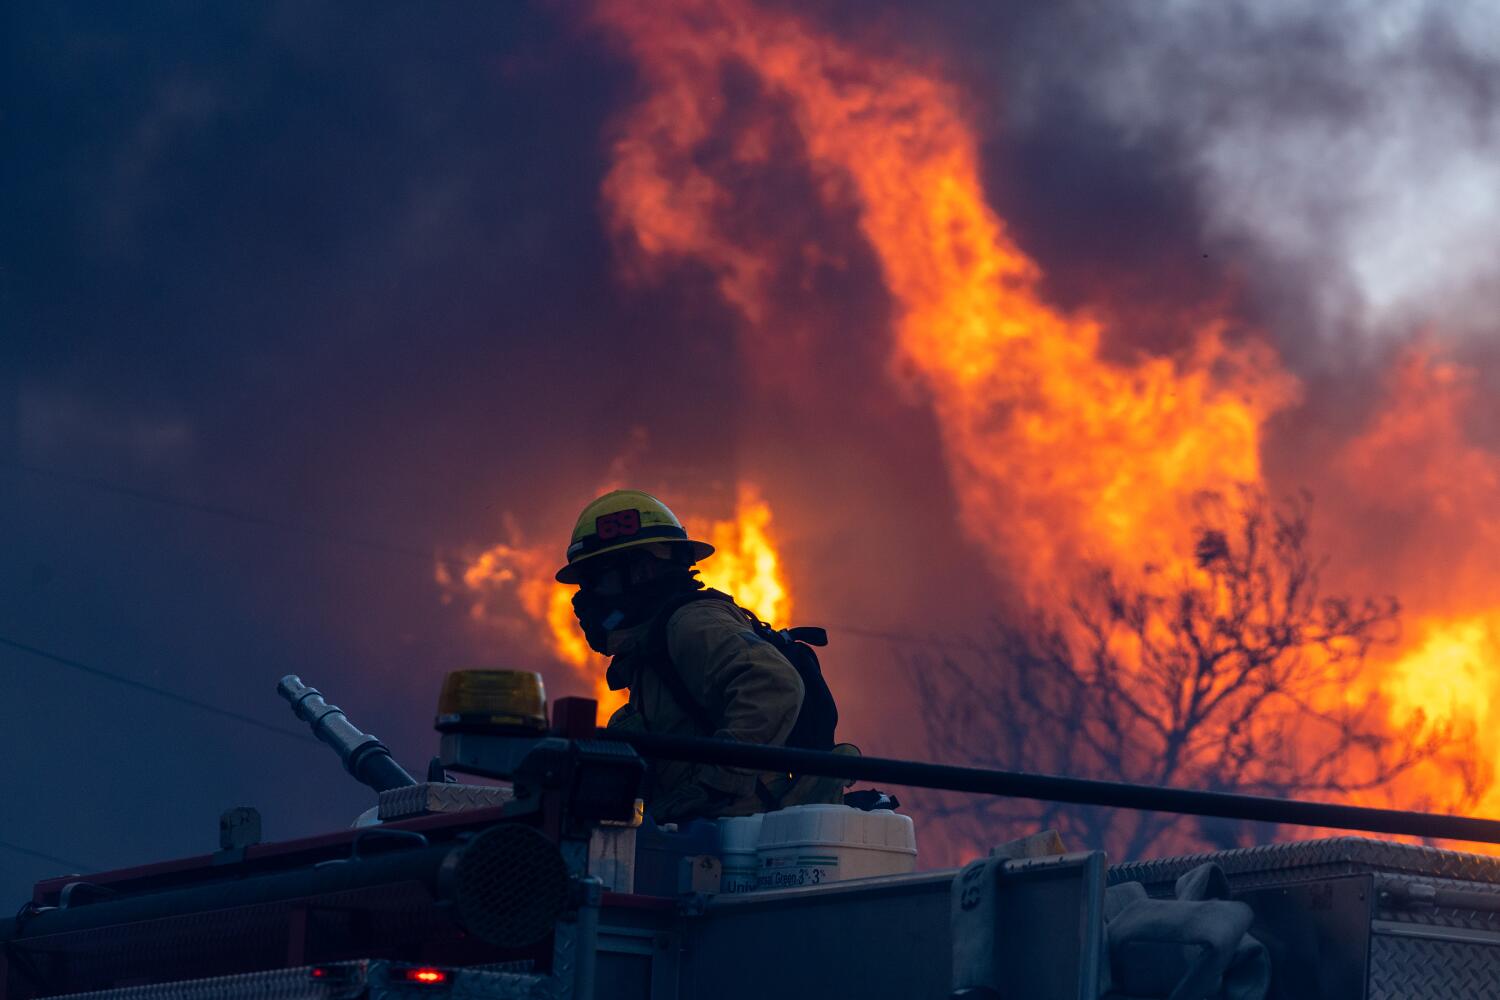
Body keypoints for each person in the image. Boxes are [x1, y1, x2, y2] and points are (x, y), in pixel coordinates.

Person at [557, 489, 841, 823]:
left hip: (744, 838)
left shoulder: (691, 623)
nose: (586, 599)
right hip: (705, 842)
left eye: (596, 581)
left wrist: (716, 784)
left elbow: (772, 684)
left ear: (642, 571)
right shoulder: (652, 657)